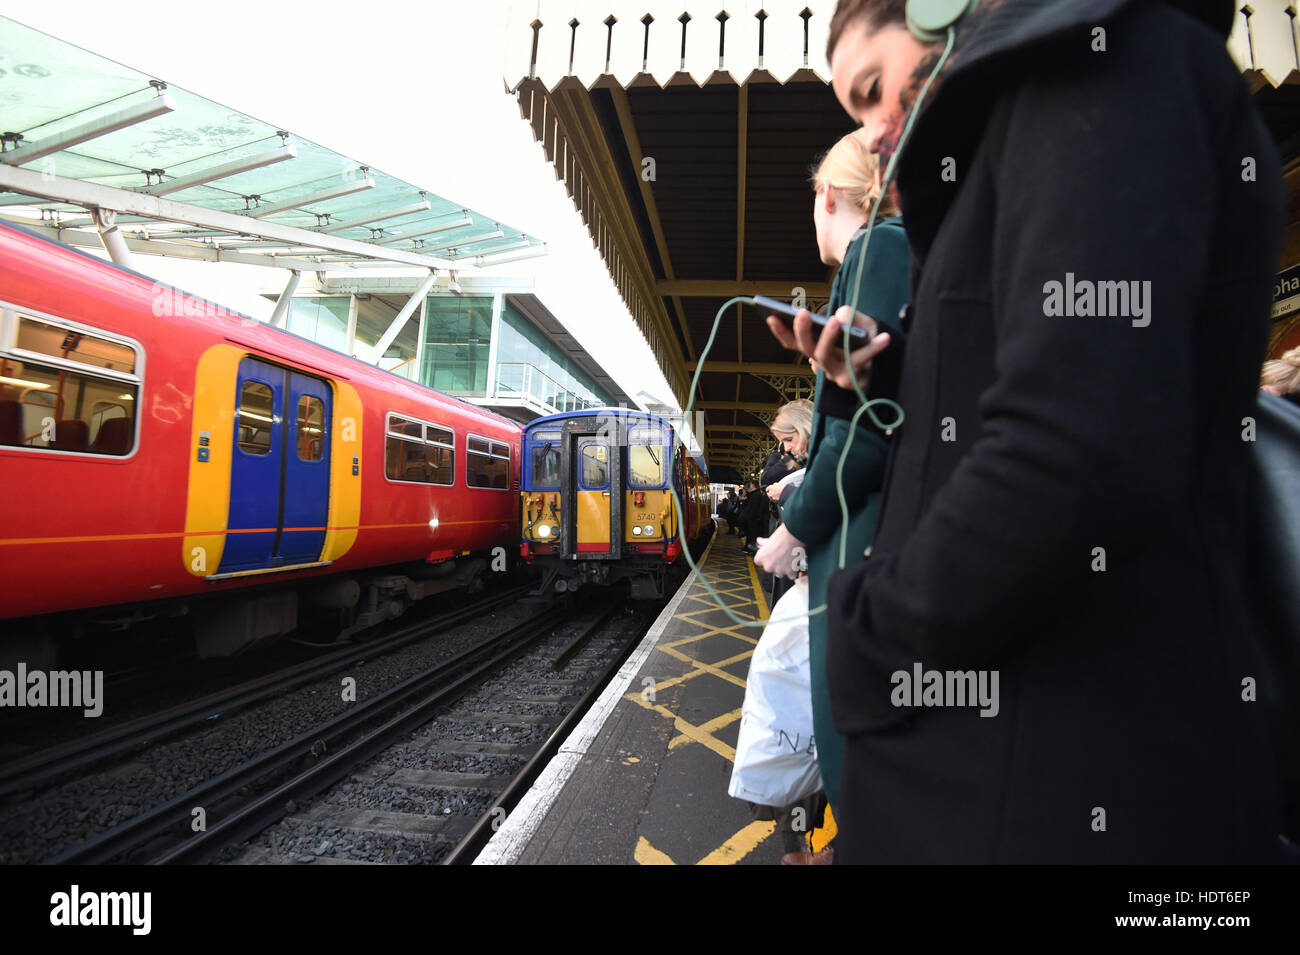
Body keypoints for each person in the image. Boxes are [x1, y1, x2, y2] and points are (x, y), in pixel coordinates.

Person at [770, 0, 1284, 863]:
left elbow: (1073, 453)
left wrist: (869, 632)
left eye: (871, 90)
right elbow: (1049, 393)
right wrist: (884, 373)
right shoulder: (1043, 112)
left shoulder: (1100, 73)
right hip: (1031, 761)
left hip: (1051, 776)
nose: (870, 134)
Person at [754, 128, 910, 855]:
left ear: (827, 195)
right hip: (865, 542)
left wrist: (795, 528)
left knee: (852, 749)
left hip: (859, 546)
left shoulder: (877, 250)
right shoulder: (884, 255)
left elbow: (864, 432)